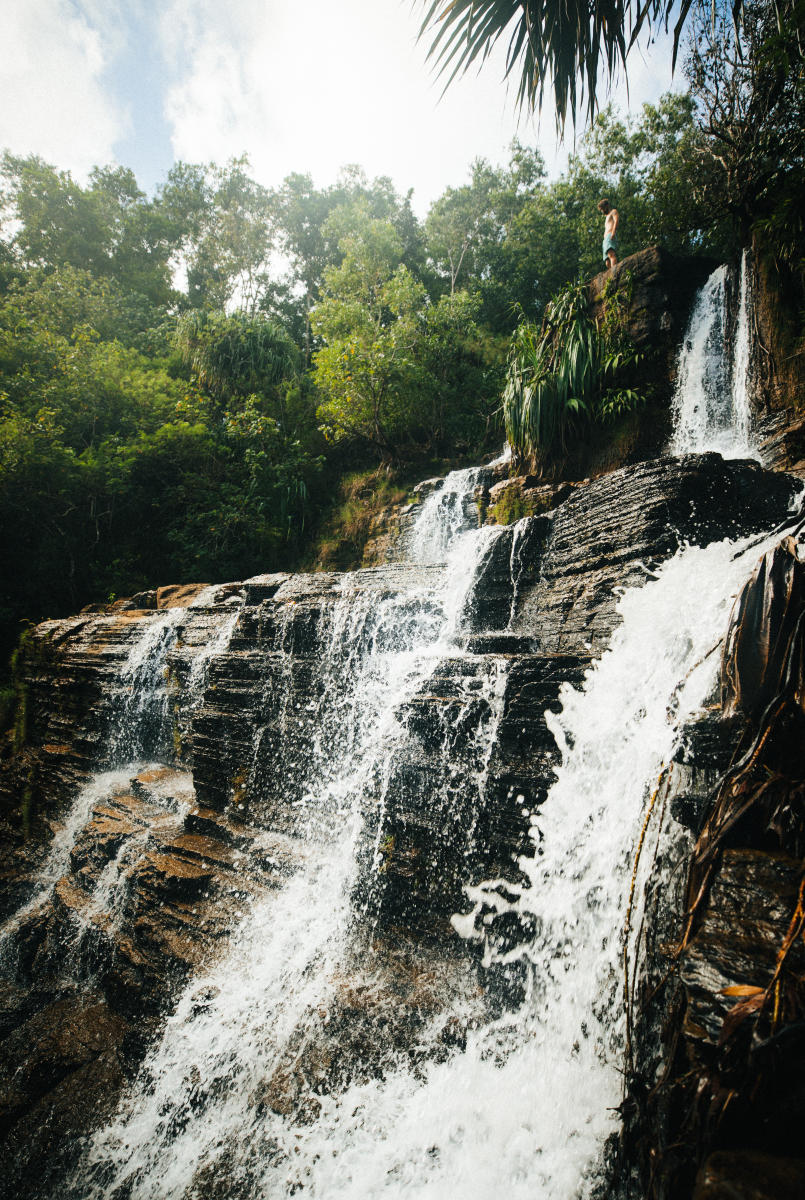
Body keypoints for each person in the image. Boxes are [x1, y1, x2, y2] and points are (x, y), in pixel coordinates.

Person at [598, 198, 619, 270]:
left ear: (606, 206)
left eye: (602, 209)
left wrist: (613, 232)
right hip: (605, 239)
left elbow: (616, 221)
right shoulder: (606, 217)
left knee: (611, 255)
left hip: (610, 234)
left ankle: (614, 272)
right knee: (607, 262)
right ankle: (611, 273)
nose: (602, 211)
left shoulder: (613, 211)